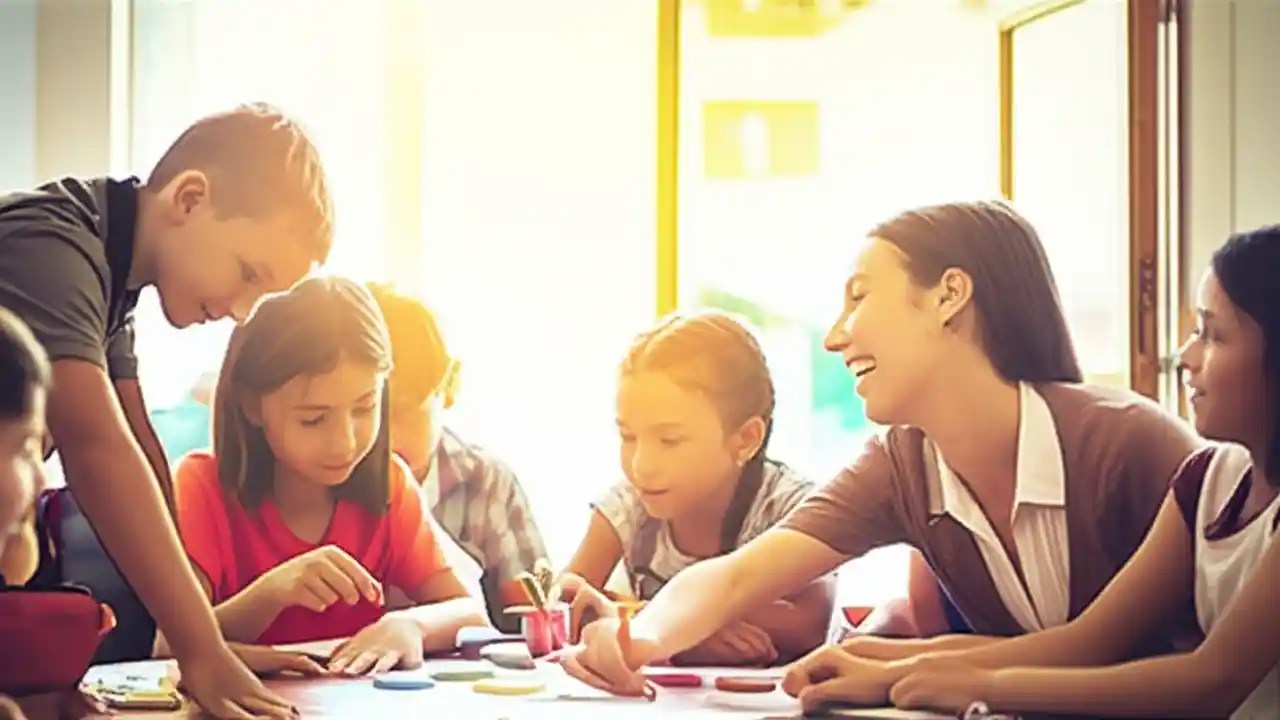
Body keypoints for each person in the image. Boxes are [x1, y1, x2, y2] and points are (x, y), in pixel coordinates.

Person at [557, 201, 1201, 695]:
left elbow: (1193, 664)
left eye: (859, 297)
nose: (835, 337)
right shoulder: (901, 464)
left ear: (950, 295)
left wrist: (897, 665)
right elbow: (738, 577)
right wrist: (637, 638)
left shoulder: (1128, 445)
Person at [784, 225, 1280, 719]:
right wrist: (881, 663)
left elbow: (1214, 679)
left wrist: (983, 687)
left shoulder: (1131, 443)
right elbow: (1086, 641)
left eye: (1214, 336)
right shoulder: (1204, 481)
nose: (1187, 357)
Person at [0, 102, 331, 718]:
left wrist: (201, 636)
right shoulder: (50, 246)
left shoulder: (109, 271)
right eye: (248, 274)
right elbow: (97, 448)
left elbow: (140, 447)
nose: (241, 311)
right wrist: (199, 650)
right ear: (188, 199)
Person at [169, 277, 489, 675]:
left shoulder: (389, 483)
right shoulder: (202, 485)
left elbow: (472, 614)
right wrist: (272, 593)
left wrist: (410, 625)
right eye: (314, 419)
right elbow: (168, 646)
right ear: (253, 406)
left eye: (364, 408)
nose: (345, 442)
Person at [562, 309, 833, 665]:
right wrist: (673, 633)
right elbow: (565, 600)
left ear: (745, 439)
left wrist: (666, 623)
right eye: (628, 436)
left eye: (670, 440)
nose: (641, 464)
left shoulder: (788, 506)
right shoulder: (627, 506)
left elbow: (809, 622)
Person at [367, 283, 548, 632]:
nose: (382, 438)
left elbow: (532, 615)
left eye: (401, 413)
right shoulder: (329, 482)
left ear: (449, 386)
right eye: (366, 413)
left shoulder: (486, 482)